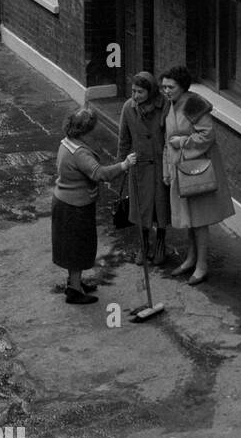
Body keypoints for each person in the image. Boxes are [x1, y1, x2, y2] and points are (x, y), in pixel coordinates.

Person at [52, 106, 135, 304]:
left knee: (74, 246)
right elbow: (100, 173)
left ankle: (75, 282)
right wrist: (124, 165)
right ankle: (74, 290)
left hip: (66, 201)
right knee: (78, 247)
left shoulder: (67, 143)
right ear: (85, 131)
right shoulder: (80, 153)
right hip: (75, 207)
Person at [159, 66, 235, 285]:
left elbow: (207, 135)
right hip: (178, 167)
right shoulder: (170, 104)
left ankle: (202, 265)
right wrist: (166, 169)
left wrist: (182, 142)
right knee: (189, 217)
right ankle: (191, 258)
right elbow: (166, 140)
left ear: (183, 86)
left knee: (200, 219)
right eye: (163, 86)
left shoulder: (194, 104)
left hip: (197, 169)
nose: (166, 91)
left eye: (170, 87)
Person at [117, 71, 171, 265]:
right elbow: (124, 139)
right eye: (133, 91)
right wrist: (121, 165)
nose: (135, 95)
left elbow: (170, 135)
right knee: (141, 207)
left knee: (162, 207)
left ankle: (160, 242)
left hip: (160, 166)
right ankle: (144, 244)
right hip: (139, 166)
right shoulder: (128, 108)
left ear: (150, 91)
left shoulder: (164, 105)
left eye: (140, 91)